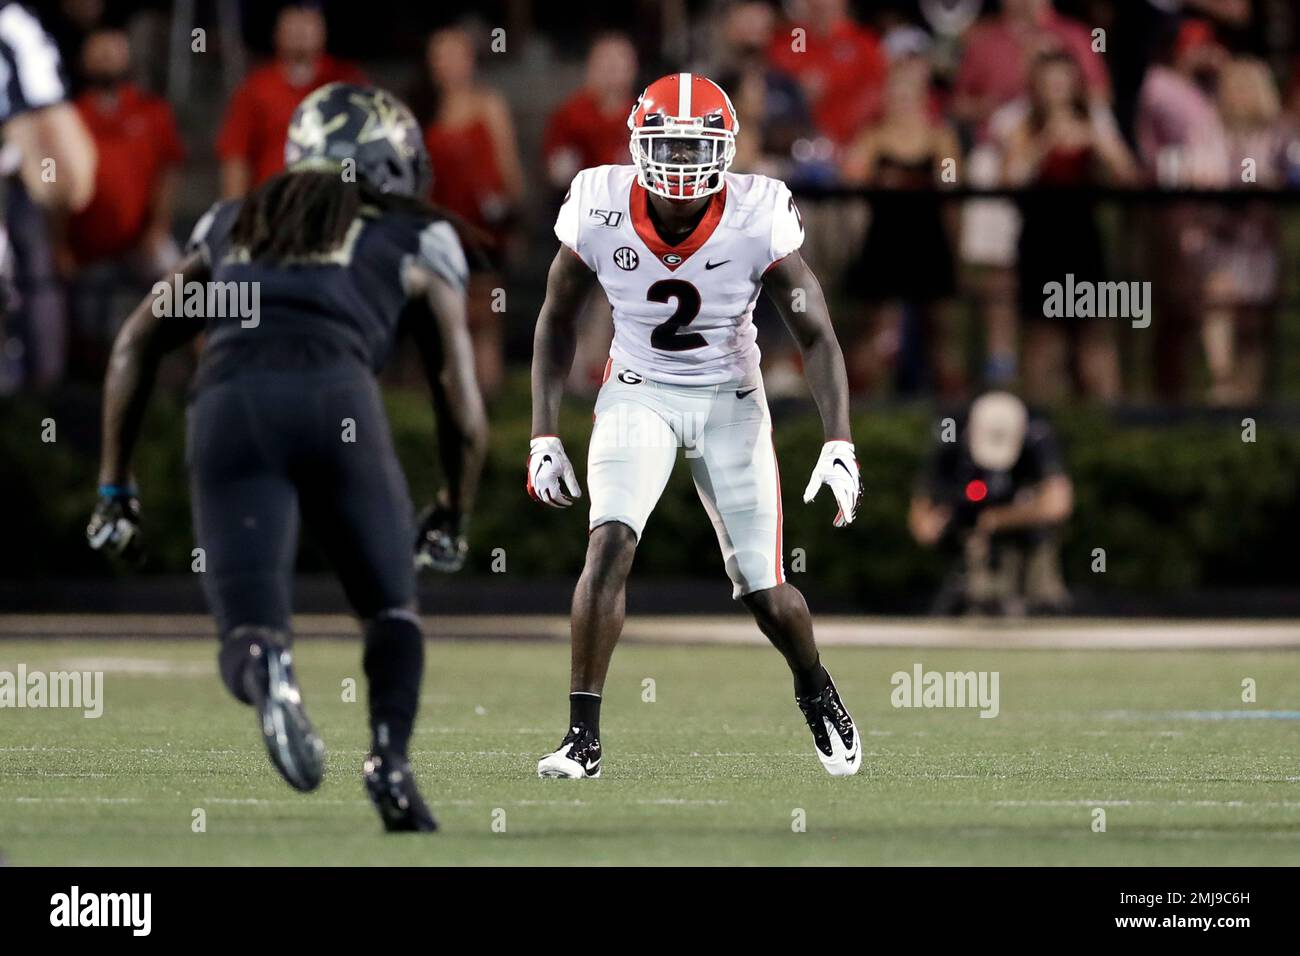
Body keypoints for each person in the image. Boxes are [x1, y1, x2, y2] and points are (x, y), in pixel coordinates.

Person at [86, 84, 488, 832]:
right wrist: (455, 508)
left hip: (228, 405)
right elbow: (460, 407)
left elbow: (136, 343)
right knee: (390, 608)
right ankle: (389, 761)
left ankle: (270, 672)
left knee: (248, 631)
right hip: (337, 398)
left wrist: (115, 484)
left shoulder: (232, 222)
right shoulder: (417, 234)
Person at [529, 73, 863, 780]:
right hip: (637, 390)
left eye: (695, 148)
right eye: (668, 148)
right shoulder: (598, 203)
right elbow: (556, 317)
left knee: (765, 591)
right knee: (610, 541)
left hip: (728, 401)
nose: (681, 165)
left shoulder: (757, 213)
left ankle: (814, 686)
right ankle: (581, 737)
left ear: (726, 150)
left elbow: (818, 336)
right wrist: (543, 432)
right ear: (638, 147)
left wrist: (840, 440)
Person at [1003, 49, 1137, 403]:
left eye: (1064, 82)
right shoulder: (1023, 127)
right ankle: (1042, 423)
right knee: (1043, 341)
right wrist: (1046, 141)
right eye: (1049, 83)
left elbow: (1128, 174)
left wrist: (1095, 140)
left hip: (1083, 241)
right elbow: (1011, 177)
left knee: (1094, 337)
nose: (1057, 91)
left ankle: (1106, 425)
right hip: (1040, 242)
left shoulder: (1095, 124)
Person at [60, 28, 185, 376]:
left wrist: (158, 228)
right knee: (73, 319)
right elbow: (54, 186)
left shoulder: (152, 111)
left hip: (143, 239)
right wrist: (59, 245)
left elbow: (169, 172)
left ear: (128, 58)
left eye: (113, 52)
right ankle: (75, 389)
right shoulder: (69, 117)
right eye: (98, 53)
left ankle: (201, 370)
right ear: (84, 61)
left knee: (186, 285)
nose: (106, 60)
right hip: (86, 246)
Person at [841, 50, 963, 398]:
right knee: (878, 331)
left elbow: (954, 184)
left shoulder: (941, 137)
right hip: (885, 242)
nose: (903, 100)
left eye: (911, 92)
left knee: (941, 331)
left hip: (929, 241)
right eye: (897, 91)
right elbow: (850, 177)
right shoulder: (873, 138)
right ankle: (862, 416)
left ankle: (949, 414)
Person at [416, 25, 524, 399]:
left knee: (485, 321)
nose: (447, 65)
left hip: (482, 234)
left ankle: (489, 409)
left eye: (455, 55)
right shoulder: (425, 110)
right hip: (442, 233)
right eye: (440, 57)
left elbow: (509, 170)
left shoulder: (489, 104)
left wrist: (511, 216)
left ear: (470, 60)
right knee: (448, 322)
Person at [909, 391, 1073, 616]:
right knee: (980, 597)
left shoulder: (1037, 436)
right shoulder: (949, 437)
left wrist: (999, 519)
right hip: (970, 543)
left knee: (1045, 599)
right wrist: (944, 522)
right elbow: (922, 522)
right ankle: (976, 594)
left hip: (1029, 538)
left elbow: (1058, 504)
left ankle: (1040, 594)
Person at [215, 4, 365, 198]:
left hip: (332, 207)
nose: (301, 30)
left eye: (308, 22)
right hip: (274, 208)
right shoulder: (256, 89)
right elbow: (236, 155)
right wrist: (234, 213)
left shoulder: (346, 83)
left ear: (323, 30)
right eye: (292, 23)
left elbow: (365, 149)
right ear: (276, 32)